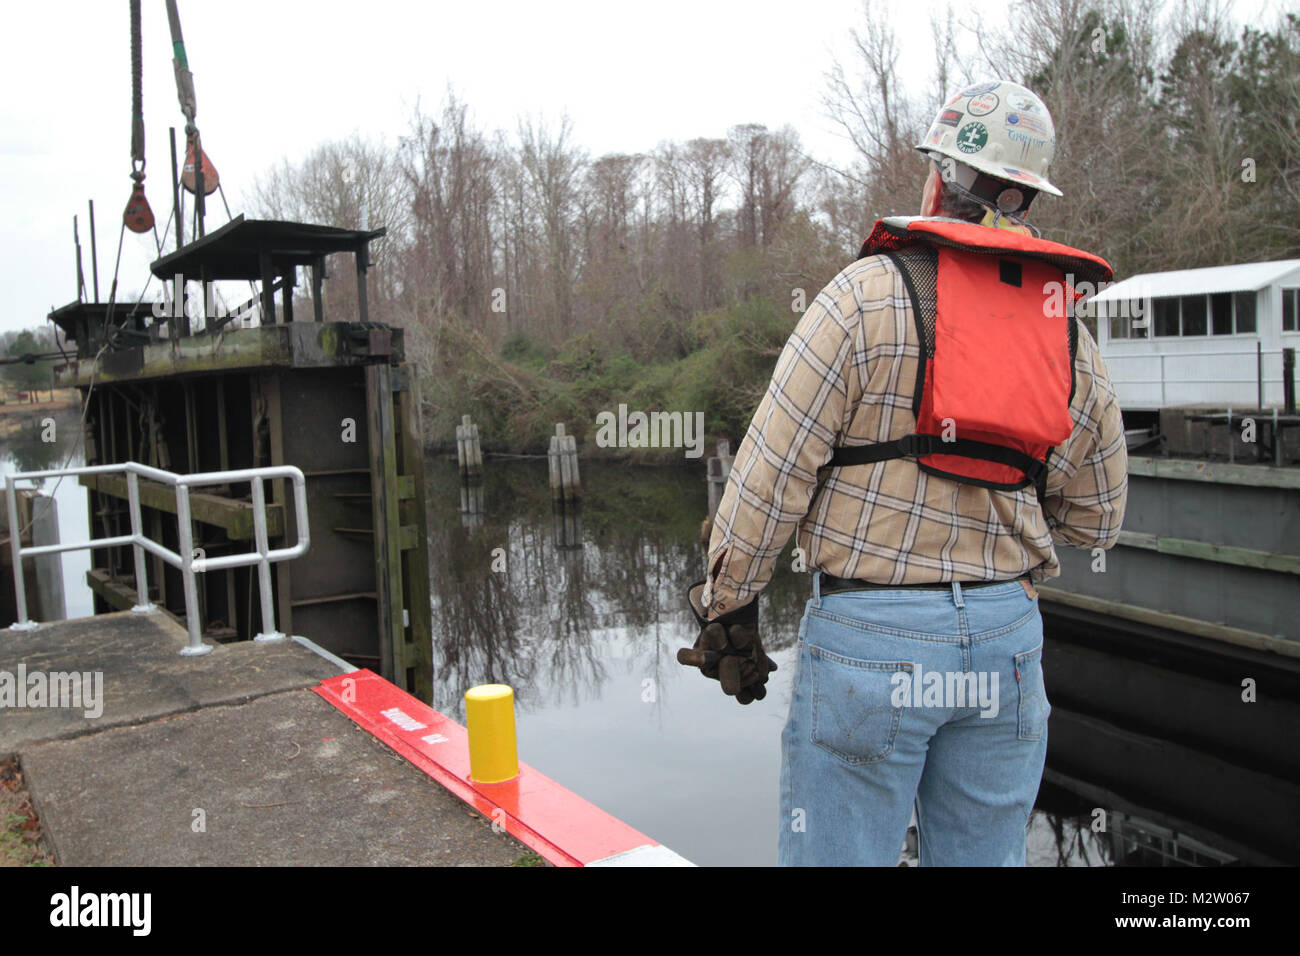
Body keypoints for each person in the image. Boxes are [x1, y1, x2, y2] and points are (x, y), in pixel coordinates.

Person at [678, 79, 1129, 866]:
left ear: (936, 177)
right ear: (1027, 200)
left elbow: (767, 477)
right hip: (1004, 646)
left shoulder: (862, 297)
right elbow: (1099, 520)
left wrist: (728, 604)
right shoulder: (1067, 337)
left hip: (871, 644)